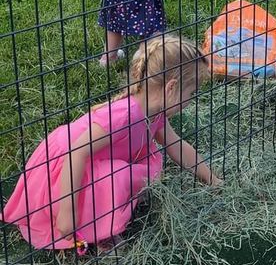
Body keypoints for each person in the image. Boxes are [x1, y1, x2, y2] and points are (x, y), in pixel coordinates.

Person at [0, 34, 221, 252]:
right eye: (191, 93)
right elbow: (75, 152)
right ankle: (97, 229)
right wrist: (67, 212)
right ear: (171, 88)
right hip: (66, 170)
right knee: (117, 176)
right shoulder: (124, 115)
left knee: (140, 164)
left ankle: (105, 212)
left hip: (96, 162)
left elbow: (177, 147)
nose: (190, 101)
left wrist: (211, 179)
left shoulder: (155, 112)